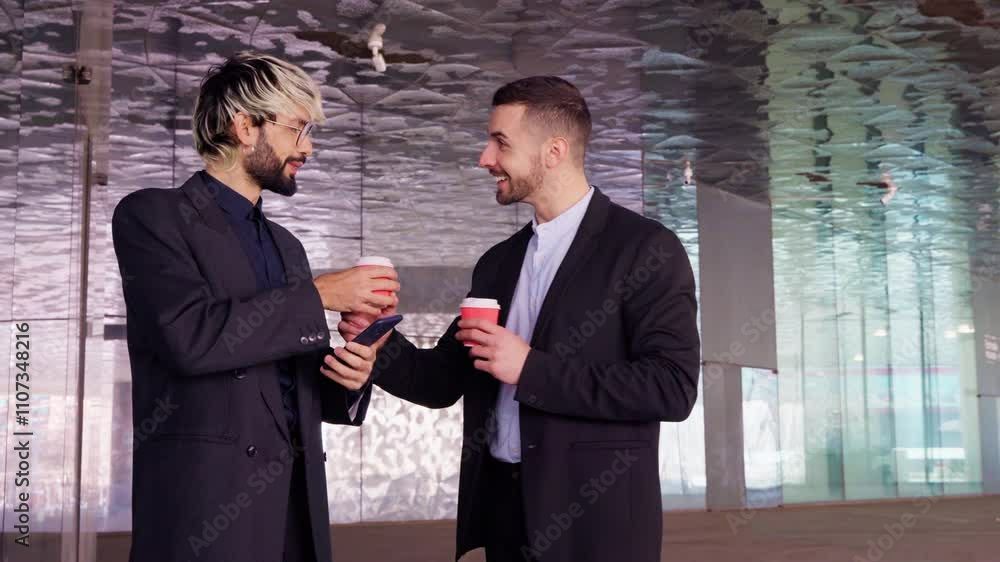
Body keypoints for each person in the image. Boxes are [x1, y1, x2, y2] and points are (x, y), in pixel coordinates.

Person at [339, 76, 701, 562]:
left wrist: (531, 368)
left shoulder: (646, 250)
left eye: (500, 142)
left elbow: (671, 387)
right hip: (508, 519)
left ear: (554, 151)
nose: (485, 158)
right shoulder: (498, 263)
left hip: (596, 528)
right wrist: (383, 344)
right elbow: (441, 380)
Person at [111, 52, 398, 562]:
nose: (307, 148)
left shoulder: (288, 246)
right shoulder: (153, 216)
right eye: (298, 129)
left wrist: (351, 375)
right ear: (245, 127)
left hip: (295, 515)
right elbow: (189, 340)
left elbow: (293, 389)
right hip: (203, 519)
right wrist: (320, 295)